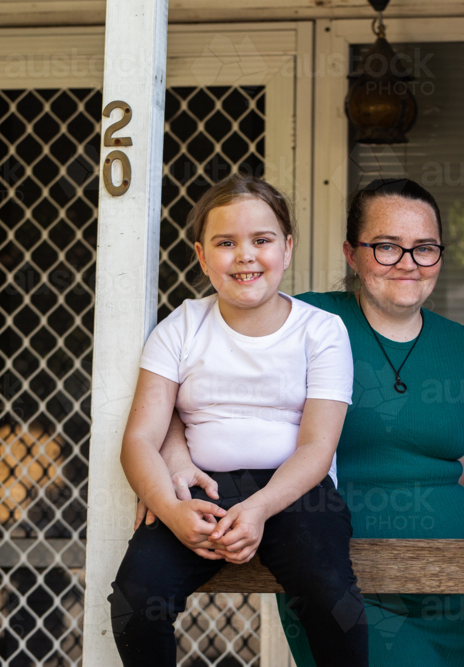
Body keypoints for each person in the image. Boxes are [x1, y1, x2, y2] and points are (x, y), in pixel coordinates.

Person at [148, 178, 464, 665]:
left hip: (458, 584)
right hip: (340, 578)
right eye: (386, 247)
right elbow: (198, 386)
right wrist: (174, 461)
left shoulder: (460, 346)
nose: (407, 263)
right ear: (351, 255)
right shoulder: (305, 321)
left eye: (424, 248)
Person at [109, 174, 368, 666]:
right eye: (225, 243)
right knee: (135, 601)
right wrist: (168, 506)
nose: (245, 255)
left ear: (286, 249)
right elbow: (140, 438)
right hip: (199, 492)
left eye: (262, 240)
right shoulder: (180, 328)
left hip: (295, 493)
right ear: (203, 256)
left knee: (333, 599)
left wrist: (260, 508)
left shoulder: (321, 331)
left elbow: (318, 446)